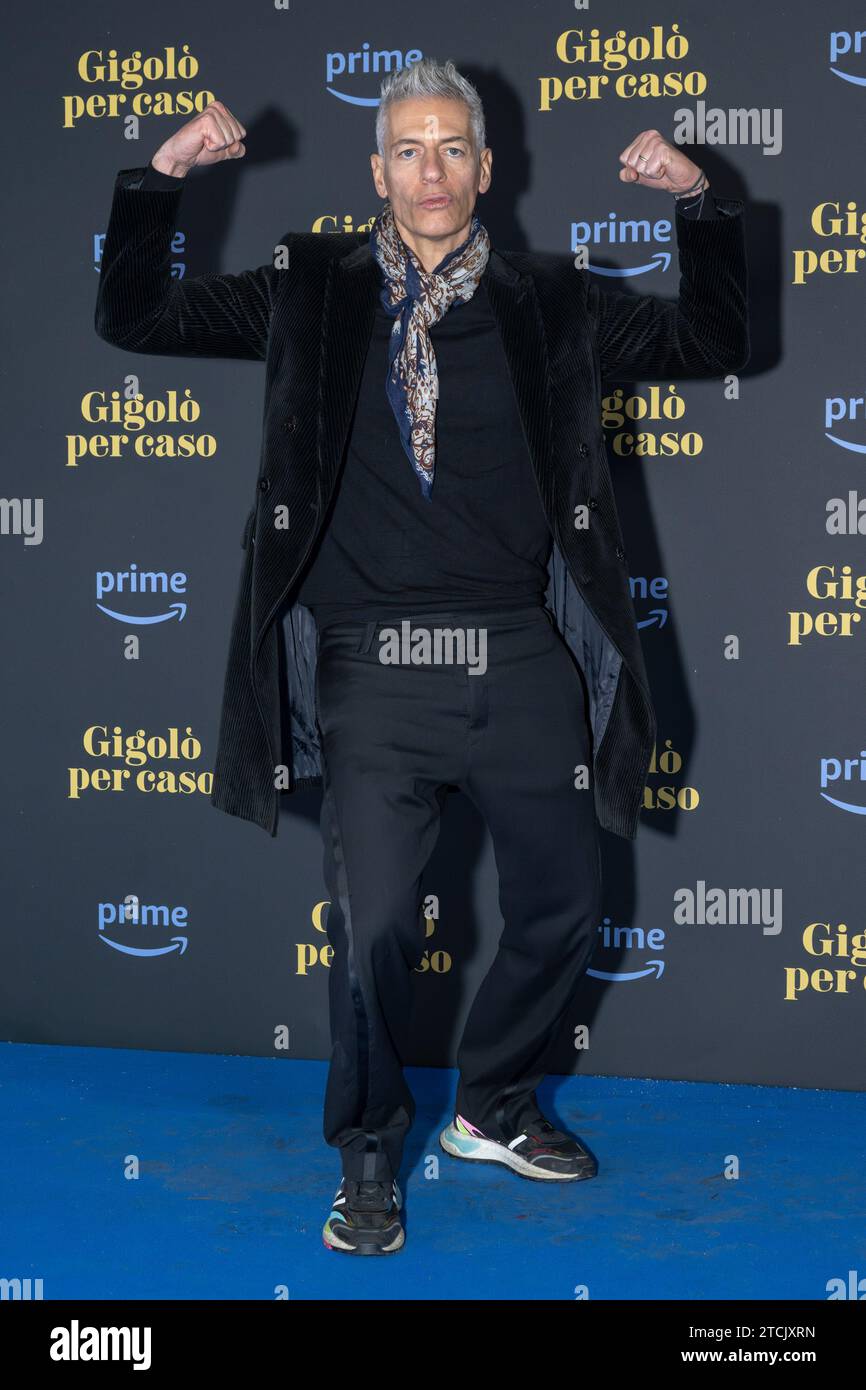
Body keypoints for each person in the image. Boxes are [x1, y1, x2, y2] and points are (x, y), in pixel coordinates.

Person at [95, 57, 749, 1257]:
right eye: (408, 148)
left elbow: (716, 332)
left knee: (564, 904)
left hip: (518, 653)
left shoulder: (554, 299)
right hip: (369, 663)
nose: (431, 169)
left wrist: (696, 199)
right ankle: (365, 1153)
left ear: (486, 169)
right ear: (377, 168)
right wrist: (162, 181)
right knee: (377, 925)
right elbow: (137, 318)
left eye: (453, 147)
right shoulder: (312, 288)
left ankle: (493, 1104)